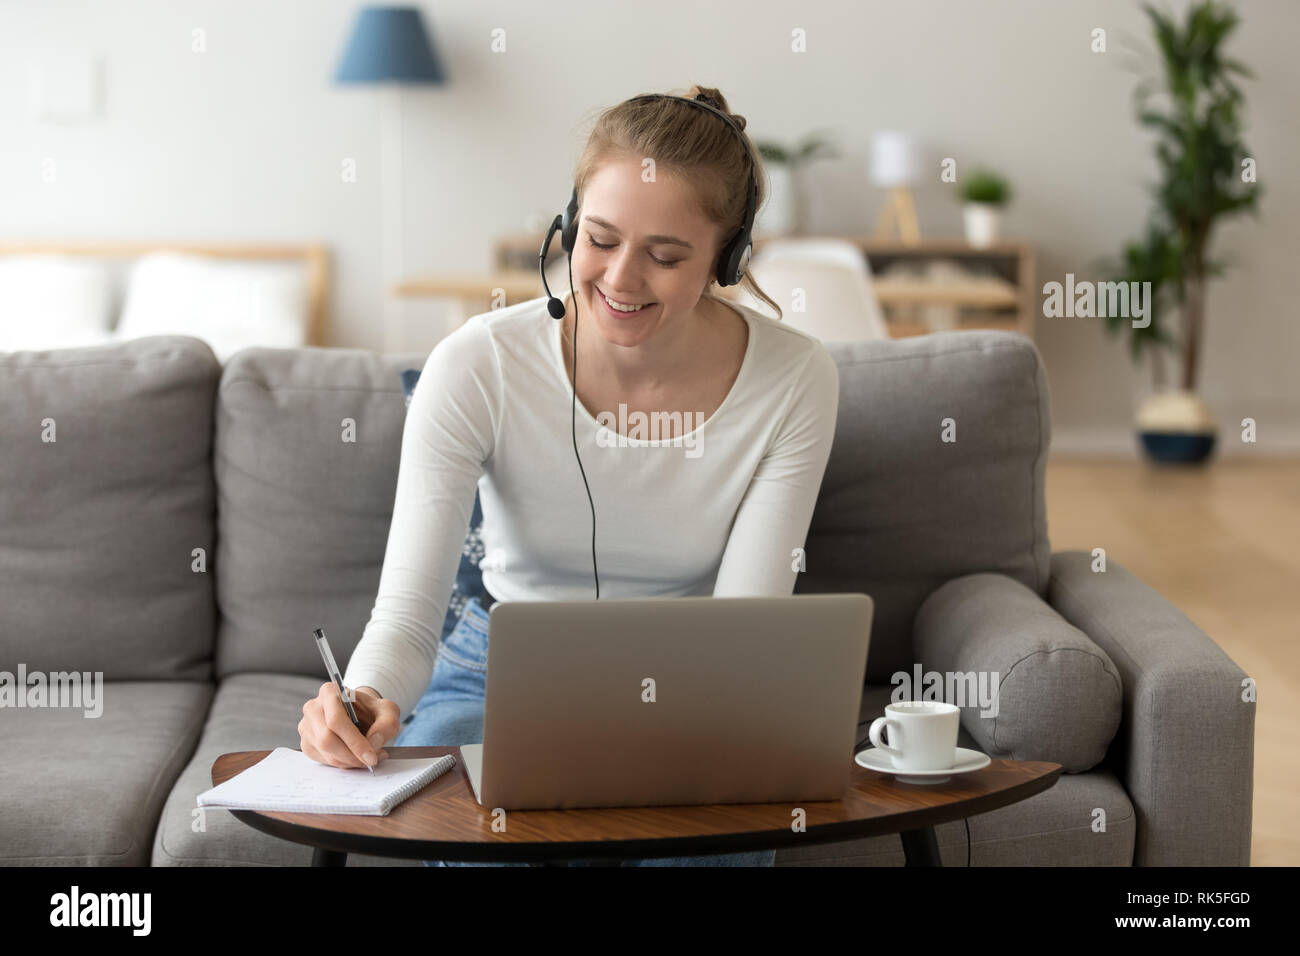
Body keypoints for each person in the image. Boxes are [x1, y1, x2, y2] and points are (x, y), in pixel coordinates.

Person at [298, 85, 840, 867]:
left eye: (665, 255)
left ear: (727, 259)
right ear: (566, 225)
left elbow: (744, 633)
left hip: (694, 681)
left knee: (708, 847)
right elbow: (409, 620)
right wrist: (367, 698)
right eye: (599, 238)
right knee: (468, 840)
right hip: (498, 669)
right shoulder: (477, 365)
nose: (621, 279)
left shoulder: (794, 377)